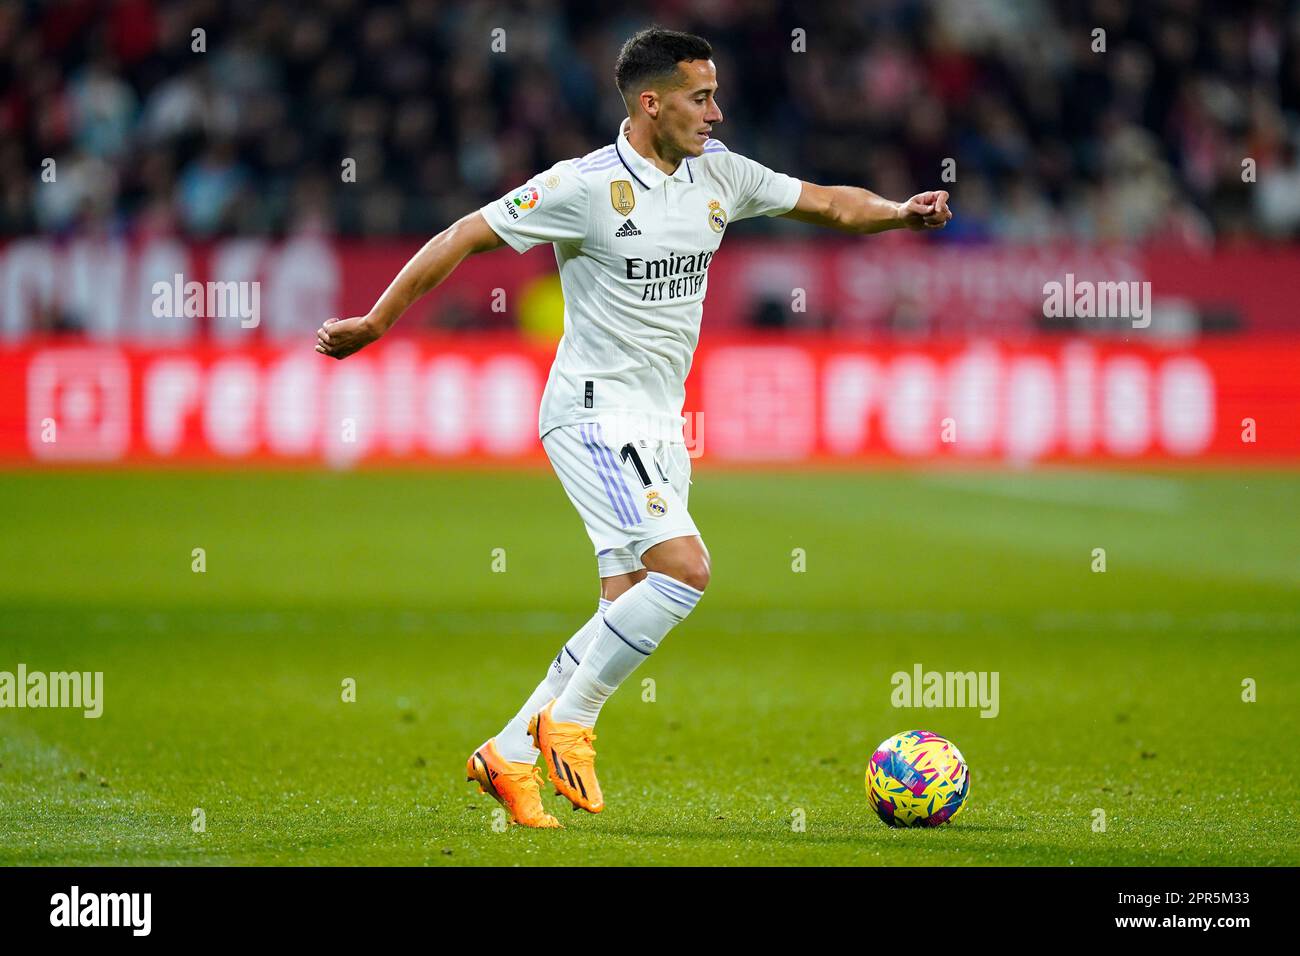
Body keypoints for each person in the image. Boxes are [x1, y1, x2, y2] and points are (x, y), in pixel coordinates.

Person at [315, 26, 952, 828]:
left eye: (716, 95)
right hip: (591, 411)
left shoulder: (721, 175)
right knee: (683, 570)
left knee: (626, 597)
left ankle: (509, 753)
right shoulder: (582, 188)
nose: (715, 112)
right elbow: (464, 236)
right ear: (651, 103)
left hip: (658, 424)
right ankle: (570, 723)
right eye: (700, 97)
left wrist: (899, 212)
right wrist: (376, 323)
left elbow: (825, 202)